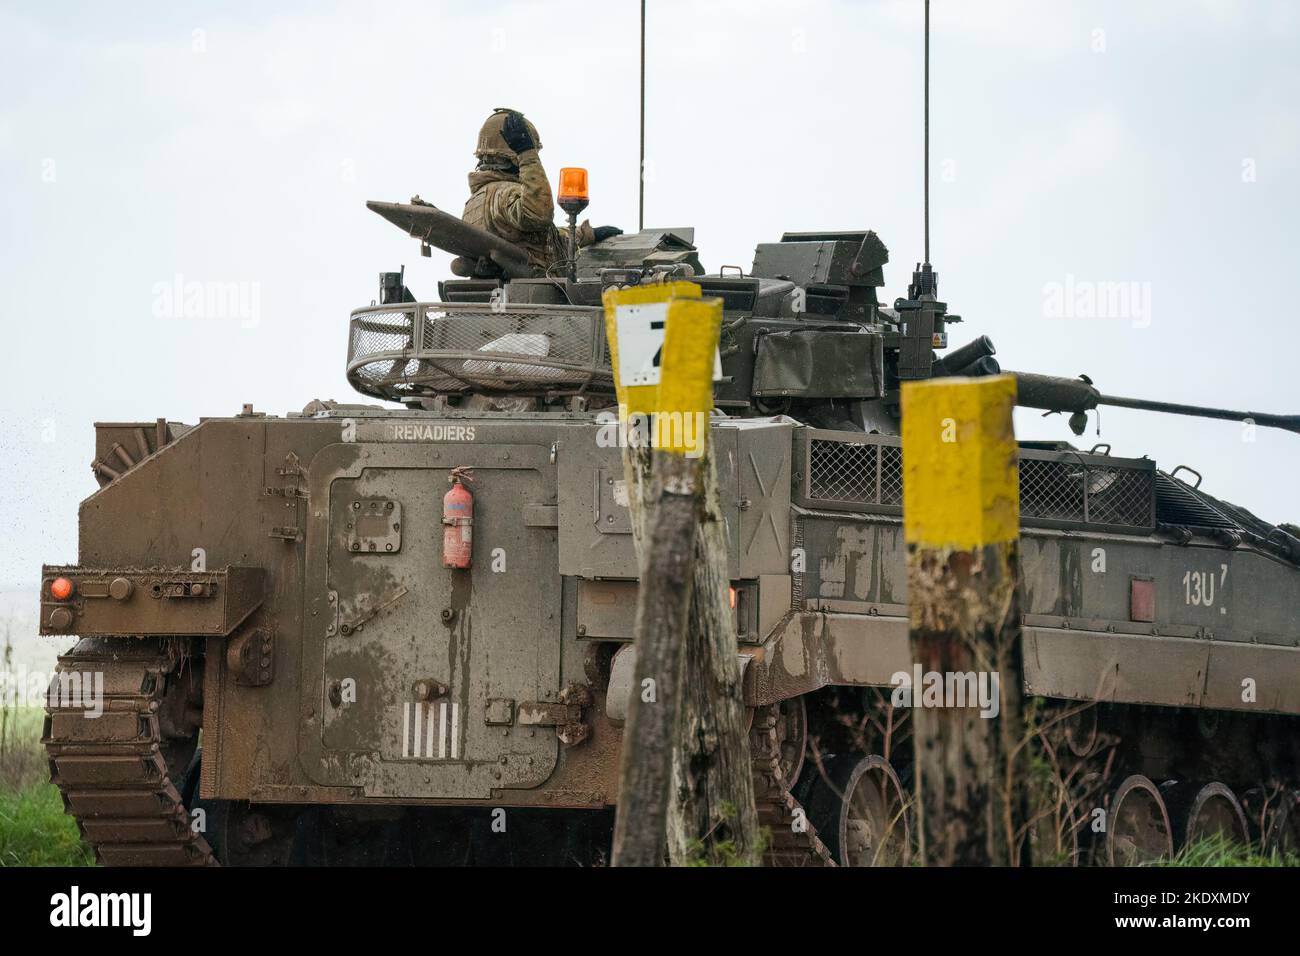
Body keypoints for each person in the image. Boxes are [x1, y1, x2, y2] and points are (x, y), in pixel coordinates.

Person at [460, 108, 621, 276]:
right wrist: (526, 154)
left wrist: (586, 234)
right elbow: (538, 216)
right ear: (512, 154)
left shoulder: (477, 201)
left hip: (503, 296)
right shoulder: (503, 194)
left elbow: (542, 244)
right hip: (528, 294)